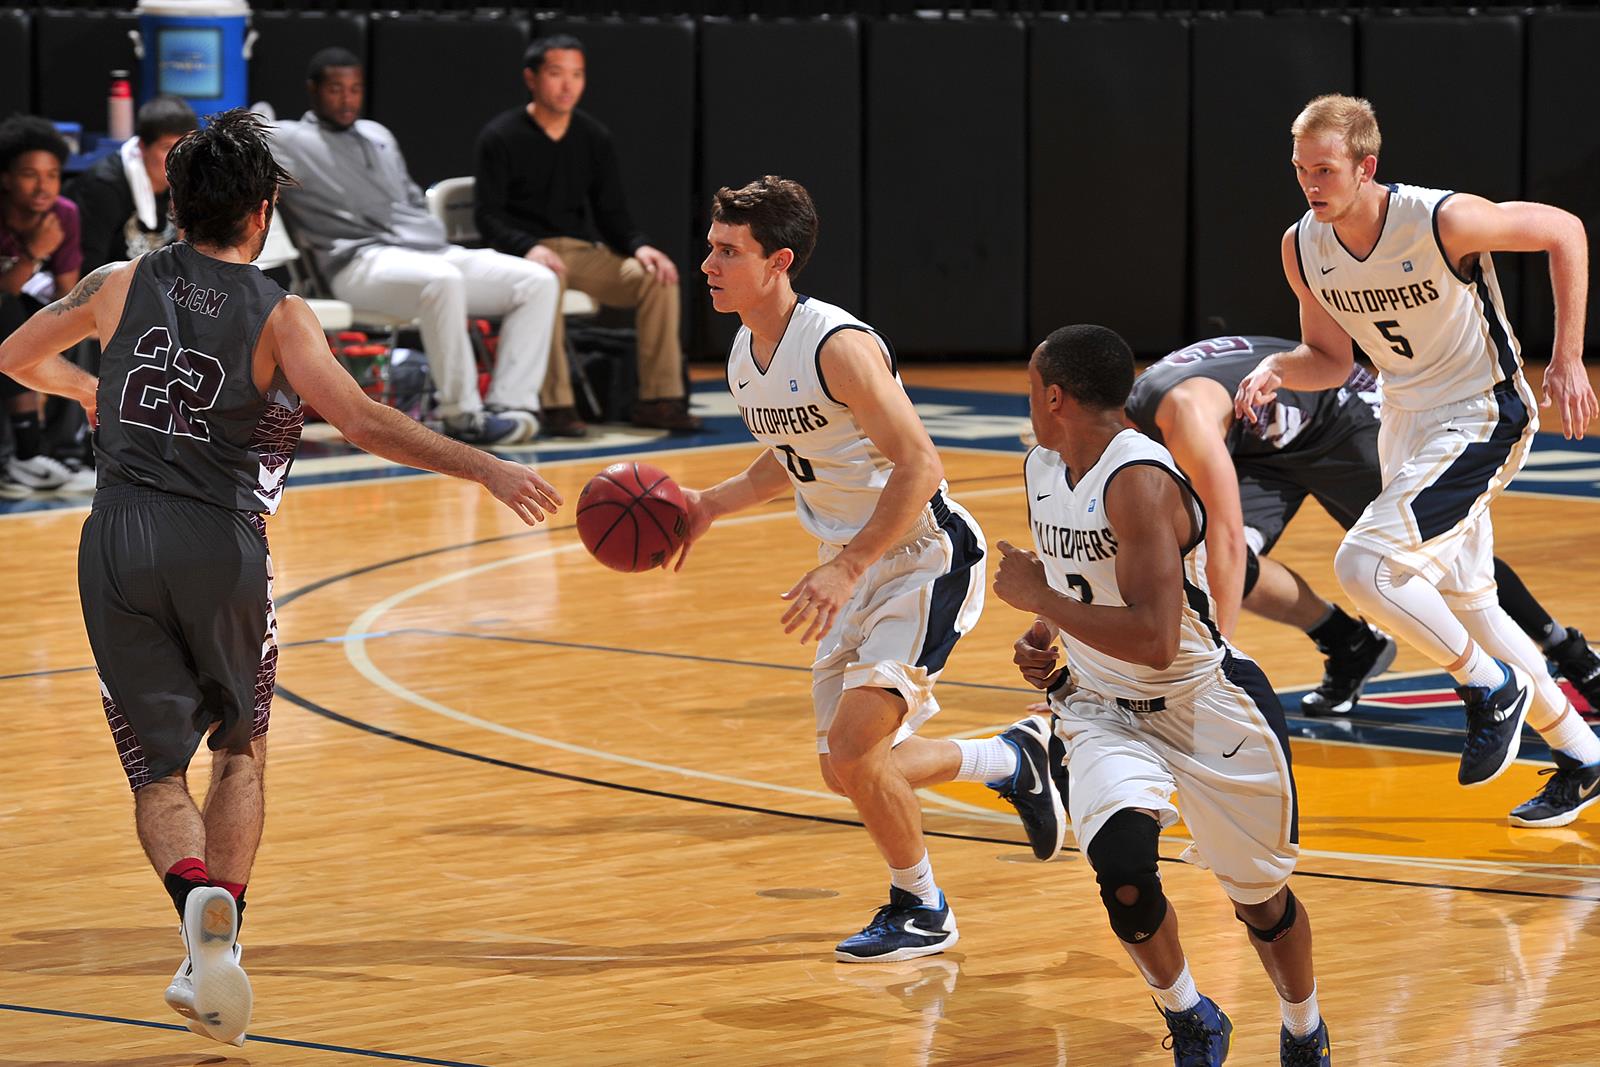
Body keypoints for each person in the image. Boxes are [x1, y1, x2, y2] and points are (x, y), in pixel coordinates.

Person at [0, 110, 561, 1046]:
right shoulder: (280, 312)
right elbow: (367, 422)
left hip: (117, 540)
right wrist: (487, 467)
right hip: (222, 542)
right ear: (262, 213)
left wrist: (87, 387)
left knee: (154, 772)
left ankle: (192, 915)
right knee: (237, 750)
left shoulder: (118, 280)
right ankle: (223, 921)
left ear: (177, 204)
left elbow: (14, 355)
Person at [678, 175, 1068, 962]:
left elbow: (920, 463)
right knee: (844, 768)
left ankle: (923, 907)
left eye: (728, 250)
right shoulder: (746, 355)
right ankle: (1014, 757)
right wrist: (710, 504)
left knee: (858, 750)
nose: (708, 264)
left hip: (923, 552)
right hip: (853, 560)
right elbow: (795, 456)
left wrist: (850, 566)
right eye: (711, 246)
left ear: (779, 259)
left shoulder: (837, 346)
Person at [1236, 94, 1600, 827]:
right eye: (1301, 169)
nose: (1311, 184)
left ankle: (1488, 686)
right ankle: (1584, 756)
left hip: (1482, 411)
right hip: (1406, 417)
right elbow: (1330, 360)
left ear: (1366, 167)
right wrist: (1279, 369)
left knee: (1364, 566)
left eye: (1326, 169)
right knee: (1474, 606)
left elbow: (1565, 230)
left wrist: (1566, 357)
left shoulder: (1442, 219)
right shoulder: (1302, 243)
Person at [999, 324, 1330, 1066]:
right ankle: (1191, 1016)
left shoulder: (1140, 480)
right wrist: (1045, 629)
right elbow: (1080, 576)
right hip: (1099, 707)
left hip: (1204, 703)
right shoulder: (1043, 467)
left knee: (1261, 905)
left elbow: (1153, 636)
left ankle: (1304, 1028)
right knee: (1122, 871)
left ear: (1054, 396)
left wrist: (1036, 595)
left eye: (1029, 384)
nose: (1027, 397)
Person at [1126, 334, 1600, 725]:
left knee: (1444, 560)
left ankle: (1570, 651)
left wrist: (1217, 661)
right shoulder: (1139, 423)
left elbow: (1225, 538)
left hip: (1339, 415)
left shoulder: (1178, 416)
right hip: (1260, 443)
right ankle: (1350, 644)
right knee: (1209, 558)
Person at [270, 47, 560, 447]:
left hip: (427, 251)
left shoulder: (378, 134)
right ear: (313, 91)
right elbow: (247, 131)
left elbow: (408, 200)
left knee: (537, 281)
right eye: (336, 89)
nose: (347, 98)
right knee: (440, 281)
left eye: (355, 89)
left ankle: (510, 405)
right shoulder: (289, 138)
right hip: (358, 261)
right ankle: (463, 417)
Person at [475, 34, 701, 435]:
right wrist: (529, 247)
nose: (568, 85)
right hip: (526, 256)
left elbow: (612, 214)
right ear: (532, 78)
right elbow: (488, 217)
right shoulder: (501, 136)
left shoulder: (593, 136)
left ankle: (658, 399)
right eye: (557, 74)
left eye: (577, 75)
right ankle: (556, 404)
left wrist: (640, 246)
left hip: (582, 252)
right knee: (546, 281)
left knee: (657, 278)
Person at [0, 115, 94, 494]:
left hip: (25, 306)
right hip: (5, 308)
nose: (43, 186)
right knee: (7, 311)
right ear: (6, 178)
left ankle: (65, 454)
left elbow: (67, 298)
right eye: (29, 174)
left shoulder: (65, 214)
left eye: (53, 175)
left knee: (77, 328)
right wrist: (34, 253)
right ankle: (21, 455)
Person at [68, 95, 198, 273]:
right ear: (142, 146)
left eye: (186, 146)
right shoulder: (103, 187)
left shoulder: (192, 181)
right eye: (168, 147)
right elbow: (89, 273)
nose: (180, 157)